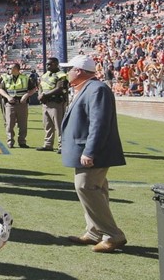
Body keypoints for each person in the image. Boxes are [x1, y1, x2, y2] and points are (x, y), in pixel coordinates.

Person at [61, 54, 127, 253]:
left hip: (91, 152)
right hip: (84, 149)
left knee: (85, 186)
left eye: (69, 69)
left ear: (78, 71)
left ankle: (113, 235)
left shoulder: (97, 89)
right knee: (96, 189)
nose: (67, 73)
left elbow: (99, 123)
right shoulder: (88, 88)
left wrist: (90, 151)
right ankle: (94, 232)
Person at [0, 62, 35, 148]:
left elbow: (33, 89)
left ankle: (22, 142)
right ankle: (10, 141)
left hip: (22, 104)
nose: (9, 70)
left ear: (16, 69)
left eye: (10, 68)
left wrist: (26, 96)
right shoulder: (6, 78)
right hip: (10, 104)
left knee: (23, 124)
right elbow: (1, 90)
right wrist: (8, 97)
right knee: (9, 124)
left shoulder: (26, 78)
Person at [37, 58, 69, 152]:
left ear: (55, 64)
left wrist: (44, 95)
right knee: (47, 125)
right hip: (46, 103)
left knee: (59, 125)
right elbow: (40, 86)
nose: (47, 66)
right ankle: (48, 144)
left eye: (49, 64)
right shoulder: (45, 75)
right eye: (47, 64)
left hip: (56, 102)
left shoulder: (61, 75)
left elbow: (59, 88)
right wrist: (40, 95)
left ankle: (61, 146)